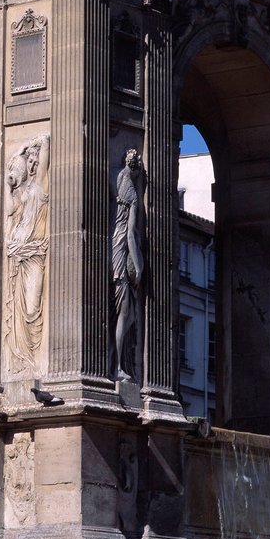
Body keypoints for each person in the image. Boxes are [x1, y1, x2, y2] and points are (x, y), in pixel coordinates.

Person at [6, 133, 51, 368]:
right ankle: (21, 361)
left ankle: (32, 359)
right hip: (17, 253)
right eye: (30, 162)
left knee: (33, 308)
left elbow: (45, 146)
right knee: (18, 311)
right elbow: (10, 210)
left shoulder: (42, 185)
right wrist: (9, 184)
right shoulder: (24, 190)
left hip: (34, 254)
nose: (32, 165)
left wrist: (36, 145)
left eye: (35, 162)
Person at [112, 149, 144, 381]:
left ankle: (116, 360)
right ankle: (117, 366)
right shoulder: (132, 193)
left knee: (127, 313)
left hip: (115, 244)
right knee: (125, 312)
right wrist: (140, 266)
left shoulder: (116, 176)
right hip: (122, 250)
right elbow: (132, 235)